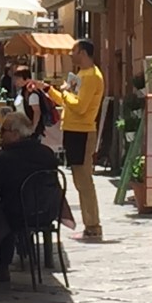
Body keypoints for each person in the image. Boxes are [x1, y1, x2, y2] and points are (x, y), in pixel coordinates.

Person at [0, 113, 60, 283]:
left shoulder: (6, 158)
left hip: (18, 214)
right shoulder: (47, 153)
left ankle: (2, 265)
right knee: (13, 206)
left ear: (15, 134)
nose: (0, 134)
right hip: (47, 210)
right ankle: (25, 250)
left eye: (3, 131)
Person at [42, 39, 104, 241]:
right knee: (79, 180)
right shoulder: (81, 74)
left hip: (82, 132)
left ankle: (93, 226)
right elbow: (69, 102)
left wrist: (65, 92)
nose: (71, 54)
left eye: (74, 51)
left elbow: (80, 106)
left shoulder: (92, 76)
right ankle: (90, 225)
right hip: (73, 130)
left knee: (84, 181)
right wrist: (49, 91)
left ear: (83, 53)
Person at [10, 65, 45, 138]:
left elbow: (37, 112)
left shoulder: (32, 93)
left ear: (25, 78)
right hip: (22, 129)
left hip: (30, 132)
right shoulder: (22, 91)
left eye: (18, 78)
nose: (15, 81)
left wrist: (33, 128)